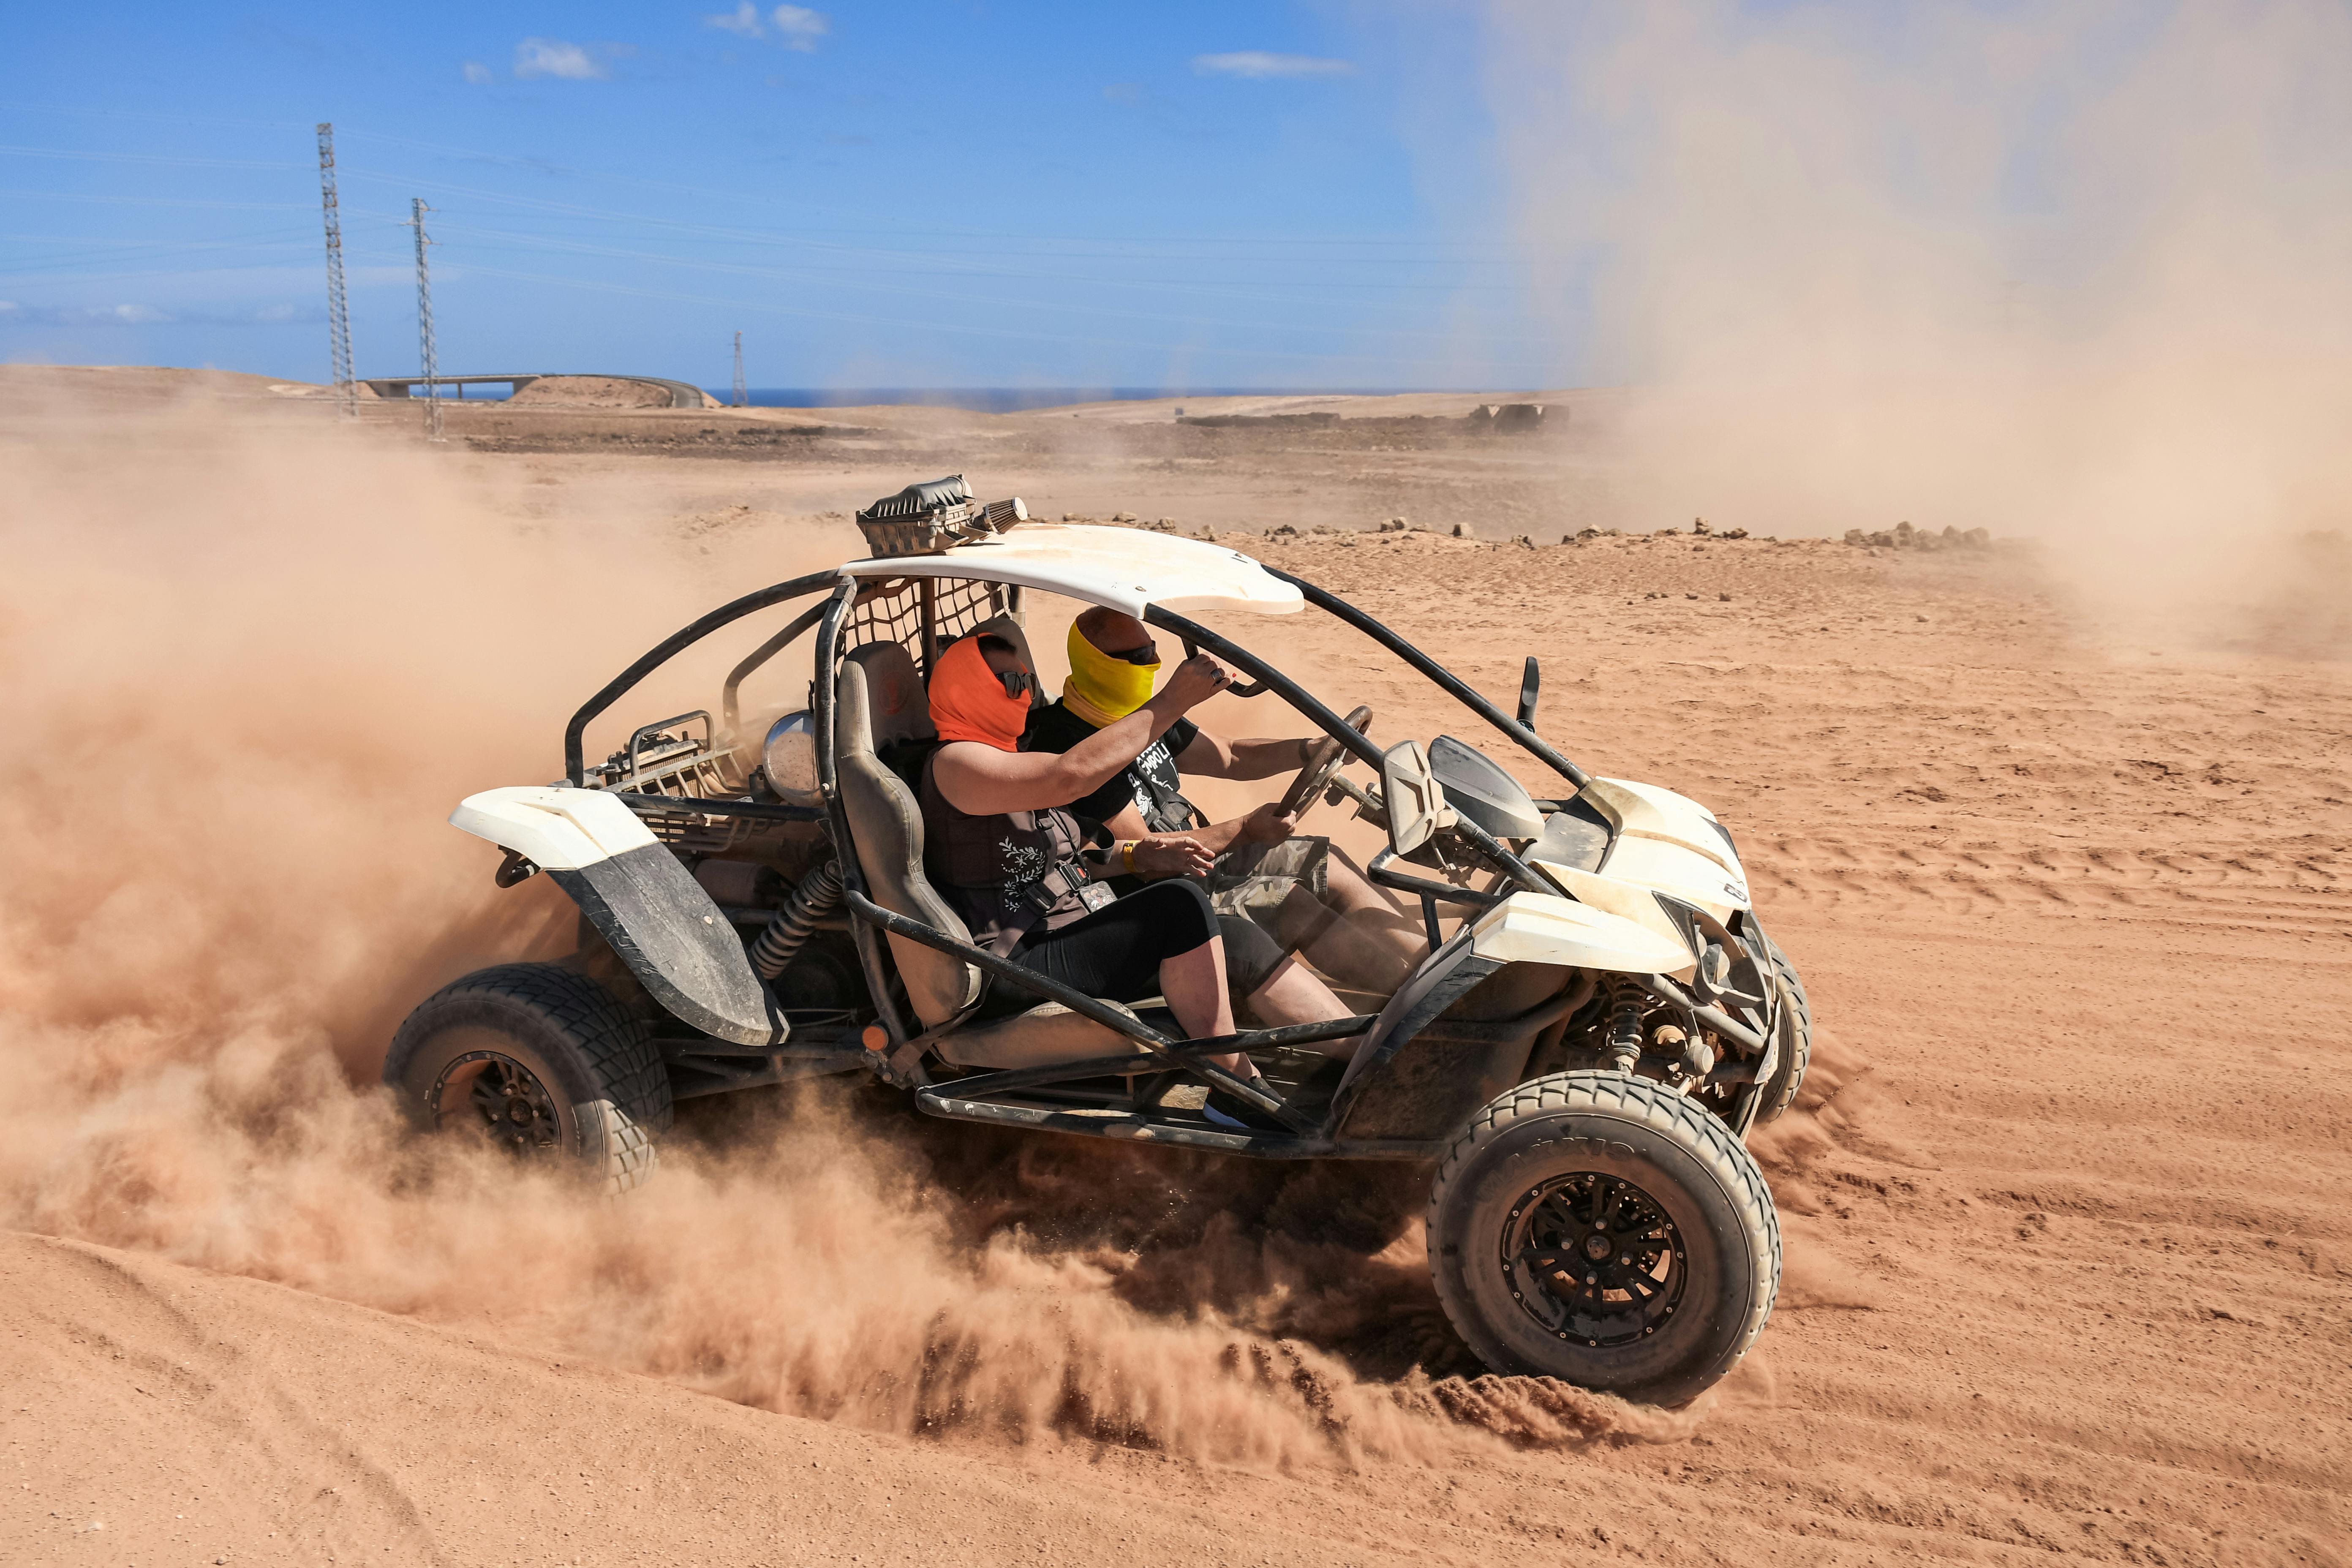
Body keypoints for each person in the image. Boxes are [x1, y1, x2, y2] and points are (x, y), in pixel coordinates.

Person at [918, 630, 1361, 1116]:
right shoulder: (956, 763)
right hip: (1013, 960)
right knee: (1178, 906)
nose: (1024, 689)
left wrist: (1139, 857)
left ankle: (1366, 1061)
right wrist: (1171, 701)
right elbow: (1072, 775)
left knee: (1231, 936)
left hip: (1067, 926)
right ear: (964, 688)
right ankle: (1237, 1089)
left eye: (1026, 676)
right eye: (1009, 680)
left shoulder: (1009, 752)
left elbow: (1077, 852)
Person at [1025, 607, 1427, 995]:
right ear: (1098, 663)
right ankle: (1419, 1002)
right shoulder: (1073, 742)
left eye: (1153, 648)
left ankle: (1436, 966)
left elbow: (1233, 755)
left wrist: (1311, 749)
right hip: (1164, 895)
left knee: (1324, 861)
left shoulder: (1135, 714)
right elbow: (1150, 856)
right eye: (1141, 656)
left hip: (1206, 857)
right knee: (1292, 905)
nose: (1155, 662)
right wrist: (1245, 830)